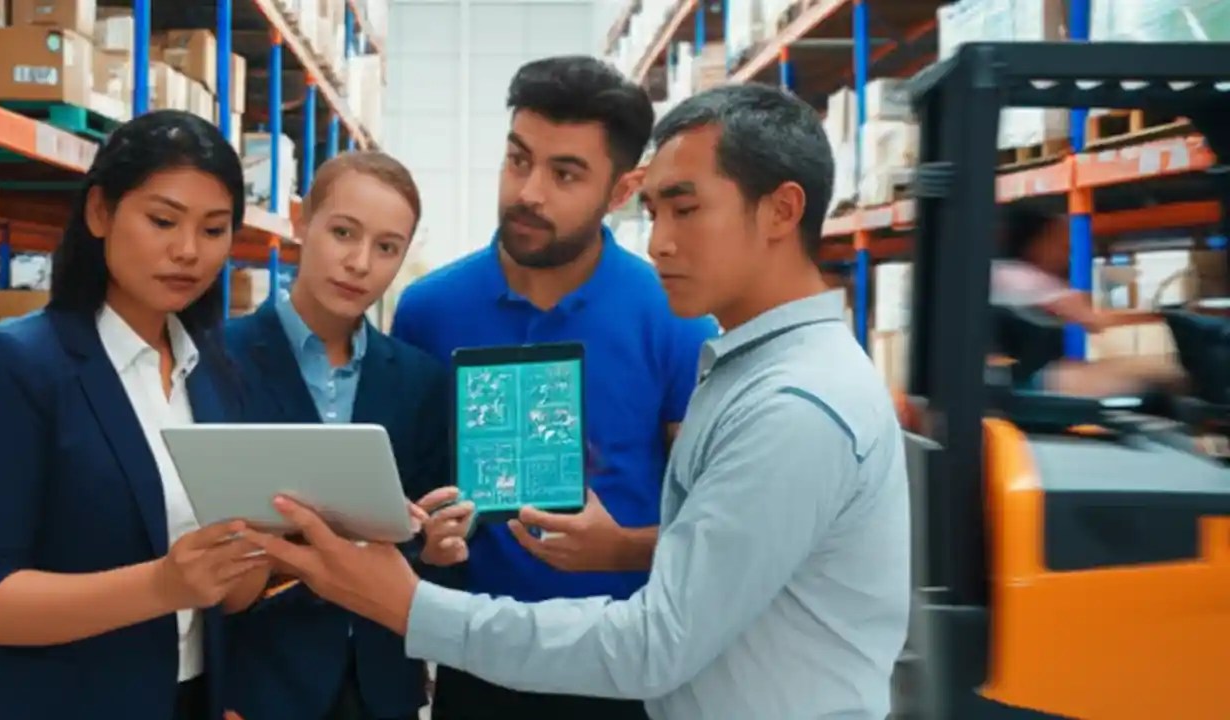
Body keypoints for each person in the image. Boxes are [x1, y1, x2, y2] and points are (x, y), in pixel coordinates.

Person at [241, 83, 913, 720]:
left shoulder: (793, 406)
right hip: (501, 665)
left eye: (686, 209)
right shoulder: (742, 371)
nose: (660, 242)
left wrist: (411, 607)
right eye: (654, 214)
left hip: (610, 667)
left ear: (781, 211)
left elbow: (657, 642)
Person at [389, 55, 718, 719]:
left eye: (565, 173)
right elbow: (400, 495)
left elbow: (717, 532)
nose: (528, 191)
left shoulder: (676, 319)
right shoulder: (428, 312)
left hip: (623, 676)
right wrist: (424, 541)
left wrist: (621, 547)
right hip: (473, 663)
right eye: (518, 159)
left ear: (623, 191)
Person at [0, 110, 269, 720]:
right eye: (162, 220)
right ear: (100, 212)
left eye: (214, 229)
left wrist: (274, 545)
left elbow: (228, 596)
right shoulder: (17, 366)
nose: (187, 252)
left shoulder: (218, 375)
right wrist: (162, 586)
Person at [222, 151, 467, 720]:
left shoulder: (419, 381)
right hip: (258, 684)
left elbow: (422, 540)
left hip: (381, 684)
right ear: (301, 221)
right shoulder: (218, 360)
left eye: (386, 248)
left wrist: (435, 544)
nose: (359, 263)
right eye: (342, 233)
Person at [991, 204, 1187, 396]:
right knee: (1163, 374)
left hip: (1010, 380)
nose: (1065, 255)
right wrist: (1162, 315)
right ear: (1037, 243)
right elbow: (1096, 321)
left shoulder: (1003, 273)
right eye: (1062, 246)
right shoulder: (1029, 281)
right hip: (1028, 384)